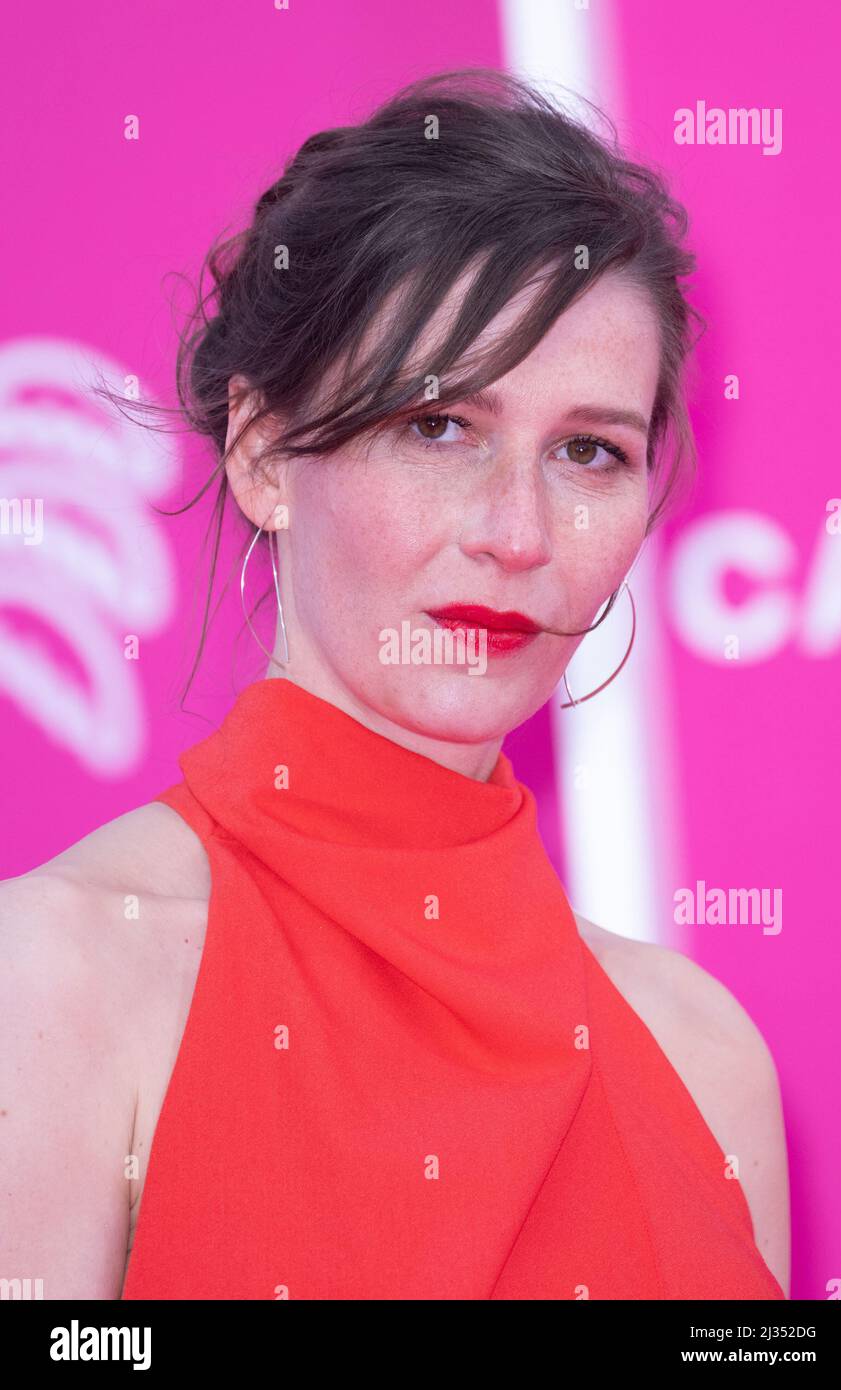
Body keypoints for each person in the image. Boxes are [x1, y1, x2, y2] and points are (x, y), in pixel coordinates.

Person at [0, 68, 789, 1300]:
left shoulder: (706, 1058)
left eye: (587, 451)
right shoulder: (55, 979)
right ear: (263, 454)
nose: (516, 532)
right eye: (438, 426)